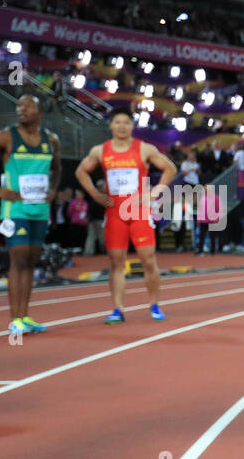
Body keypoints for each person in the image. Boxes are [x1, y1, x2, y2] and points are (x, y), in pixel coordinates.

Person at [0, 94, 60, 336]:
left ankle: (25, 316)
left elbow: (57, 168)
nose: (21, 110)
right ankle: (15, 319)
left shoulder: (51, 140)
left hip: (40, 209)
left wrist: (53, 188)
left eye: (27, 106)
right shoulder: (6, 136)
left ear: (40, 113)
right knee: (18, 259)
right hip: (15, 209)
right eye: (18, 106)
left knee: (31, 260)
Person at [74, 108, 177, 323]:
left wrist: (155, 191)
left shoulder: (144, 149)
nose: (122, 126)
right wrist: (94, 194)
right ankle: (118, 309)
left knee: (148, 260)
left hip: (138, 211)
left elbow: (169, 168)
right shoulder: (100, 151)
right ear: (111, 126)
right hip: (114, 213)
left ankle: (155, 305)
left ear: (132, 126)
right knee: (116, 263)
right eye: (117, 122)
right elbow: (80, 171)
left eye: (126, 122)